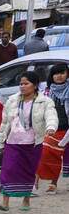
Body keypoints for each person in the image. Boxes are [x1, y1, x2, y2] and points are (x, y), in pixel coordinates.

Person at [0, 69, 53, 212]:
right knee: (7, 169)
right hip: (13, 141)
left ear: (34, 85)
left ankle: (26, 200)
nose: (22, 86)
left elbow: (51, 115)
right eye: (20, 84)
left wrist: (51, 127)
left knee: (28, 171)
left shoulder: (44, 101)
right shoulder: (12, 100)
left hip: (32, 143)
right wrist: (1, 140)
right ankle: (5, 202)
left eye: (26, 83)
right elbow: (4, 122)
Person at [35, 63, 69, 193]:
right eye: (56, 73)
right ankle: (36, 185)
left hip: (67, 128)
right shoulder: (47, 91)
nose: (59, 76)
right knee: (44, 153)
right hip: (53, 129)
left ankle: (52, 184)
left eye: (62, 73)